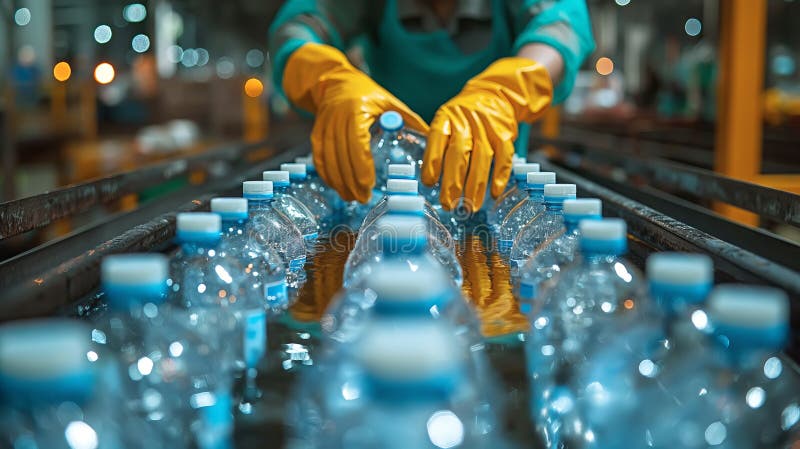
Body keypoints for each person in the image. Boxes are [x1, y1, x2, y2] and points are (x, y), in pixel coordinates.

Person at [269, 0, 594, 212]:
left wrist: (504, 92)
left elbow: (561, 29)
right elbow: (297, 28)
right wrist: (329, 81)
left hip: (490, 196)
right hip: (384, 197)